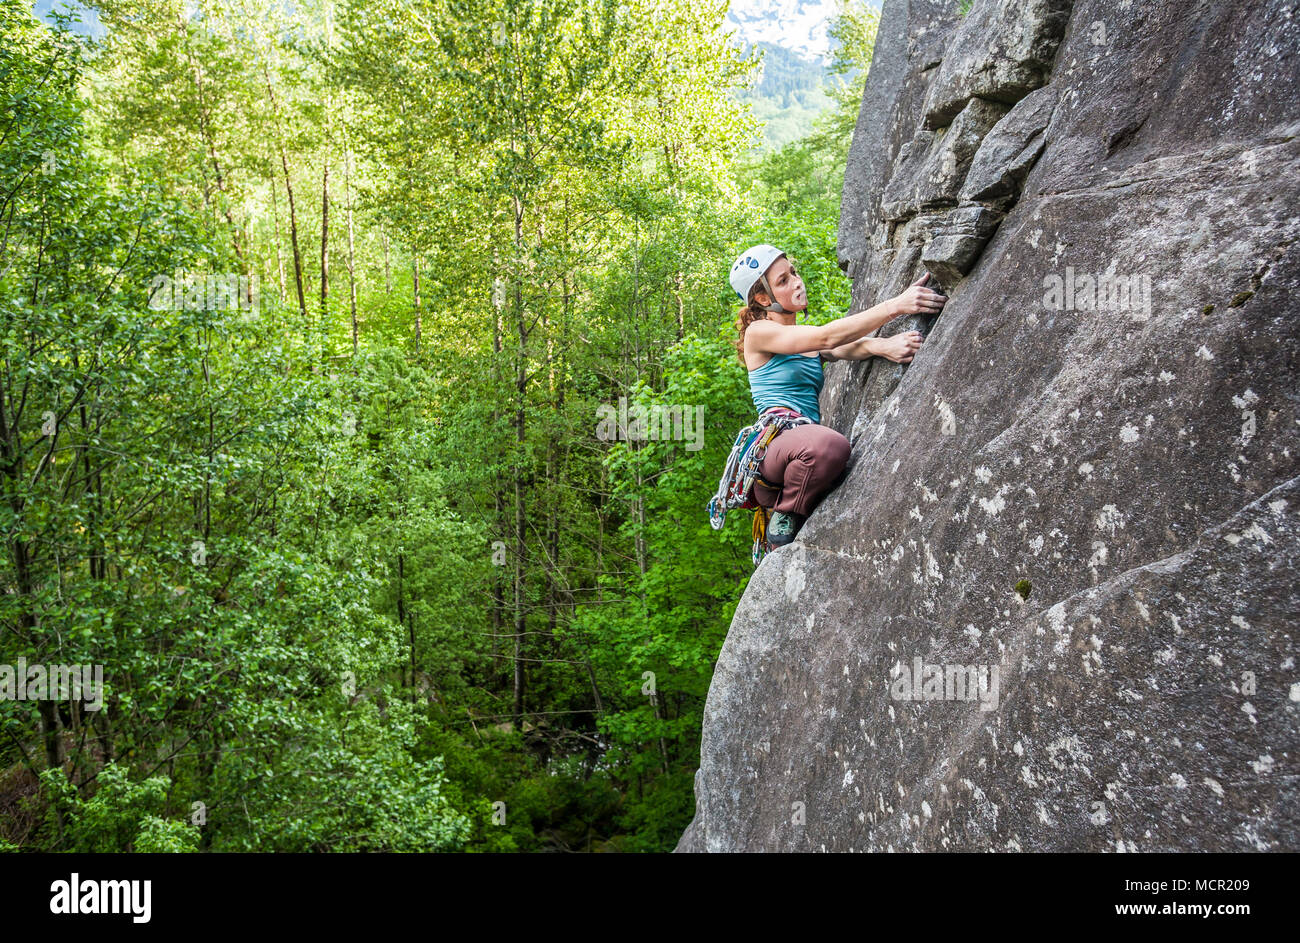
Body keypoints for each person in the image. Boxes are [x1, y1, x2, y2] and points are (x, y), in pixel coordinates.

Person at [721, 243, 947, 554]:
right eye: (783, 281)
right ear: (763, 298)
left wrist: (880, 347)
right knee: (831, 445)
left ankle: (795, 501)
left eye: (793, 273)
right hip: (776, 448)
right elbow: (827, 337)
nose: (797, 282)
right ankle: (786, 512)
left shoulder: (799, 337)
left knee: (826, 445)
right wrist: (896, 305)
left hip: (801, 447)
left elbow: (837, 348)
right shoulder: (759, 333)